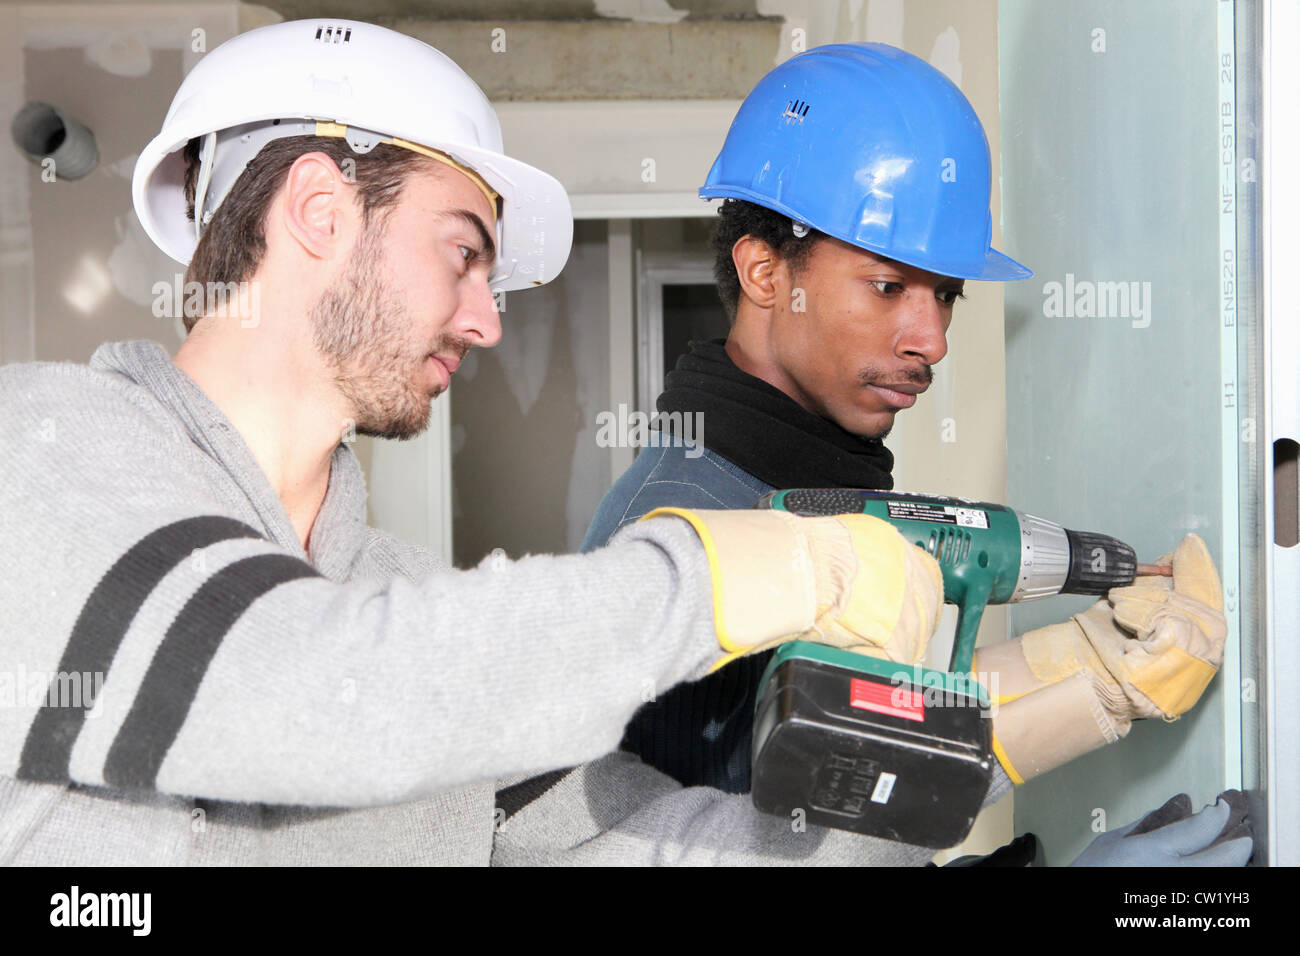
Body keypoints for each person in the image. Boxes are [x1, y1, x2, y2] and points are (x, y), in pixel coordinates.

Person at [0, 20, 952, 866]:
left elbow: (691, 851)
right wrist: (724, 575)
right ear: (320, 211)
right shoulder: (42, 449)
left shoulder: (402, 602)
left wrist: (1003, 723)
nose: (486, 323)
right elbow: (302, 684)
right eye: (463, 253)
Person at [582, 43, 1243, 864]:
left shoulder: (785, 487)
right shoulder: (698, 531)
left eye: (947, 295)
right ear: (763, 272)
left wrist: (1083, 672)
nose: (930, 340)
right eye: (889, 286)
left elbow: (820, 777)